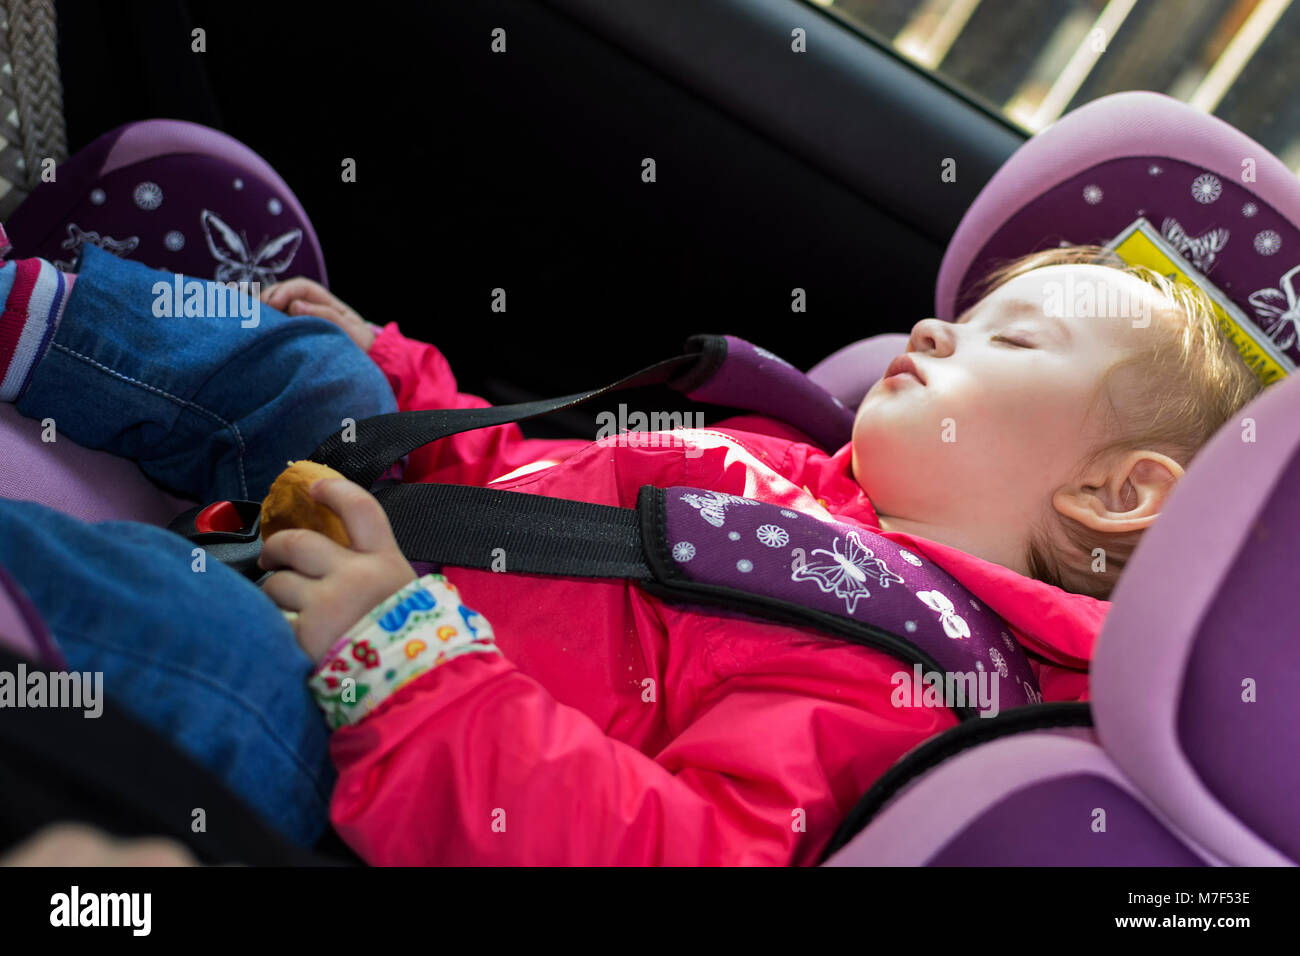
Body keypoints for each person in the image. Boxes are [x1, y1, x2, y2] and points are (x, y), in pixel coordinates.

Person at [0, 237, 1264, 864]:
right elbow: (529, 498)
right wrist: (410, 388)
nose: (931, 328)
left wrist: (402, 664)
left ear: (1114, 491)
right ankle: (29, 303)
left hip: (361, 742)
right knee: (312, 367)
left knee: (193, 640)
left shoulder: (897, 674)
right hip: (387, 557)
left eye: (1012, 341)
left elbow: (666, 851)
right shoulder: (789, 467)